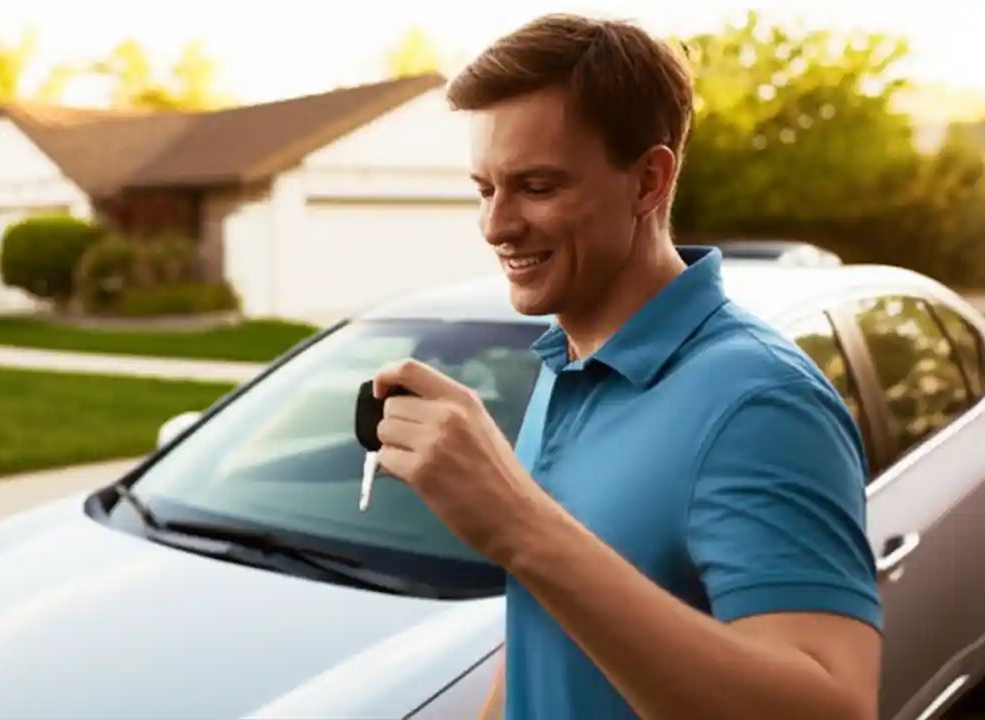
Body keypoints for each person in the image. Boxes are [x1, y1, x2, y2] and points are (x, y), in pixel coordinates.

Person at [369, 12, 883, 720]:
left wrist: (516, 523)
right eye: (486, 188)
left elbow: (834, 708)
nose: (496, 225)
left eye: (538, 186)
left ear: (648, 181)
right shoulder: (565, 364)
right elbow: (546, 632)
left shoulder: (758, 399)